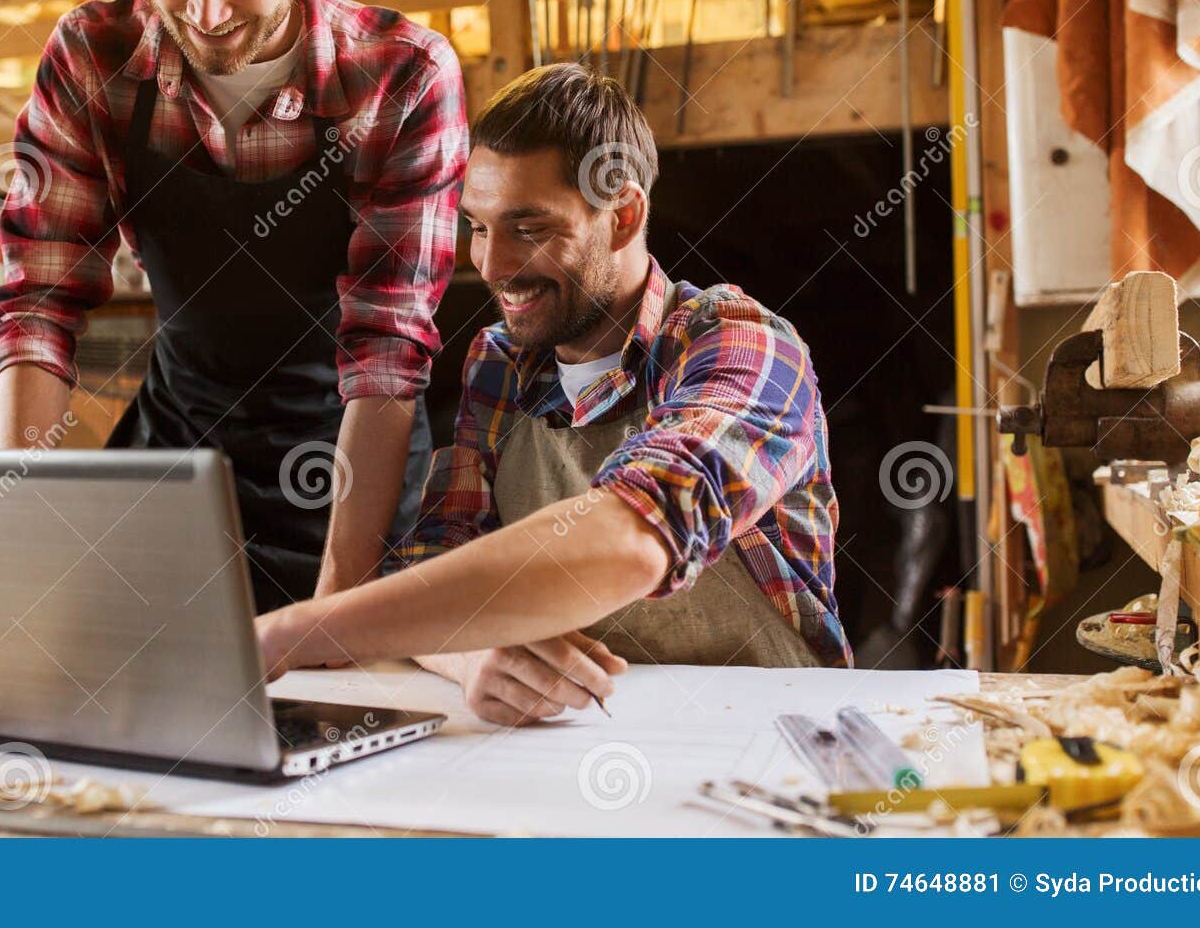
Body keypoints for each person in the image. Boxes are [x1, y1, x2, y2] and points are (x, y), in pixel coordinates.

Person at [0, 0, 468, 611]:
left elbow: (387, 354)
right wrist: (18, 554)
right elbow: (36, 304)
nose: (206, 14)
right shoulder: (94, 58)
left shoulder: (402, 77)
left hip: (350, 475)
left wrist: (337, 610)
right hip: (175, 463)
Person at [256, 63, 851, 724]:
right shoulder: (501, 364)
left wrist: (299, 629)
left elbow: (635, 533)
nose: (492, 264)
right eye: (478, 226)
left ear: (623, 216)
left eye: (528, 228)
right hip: (572, 744)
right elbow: (433, 558)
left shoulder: (744, 346)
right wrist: (467, 652)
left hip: (772, 745)